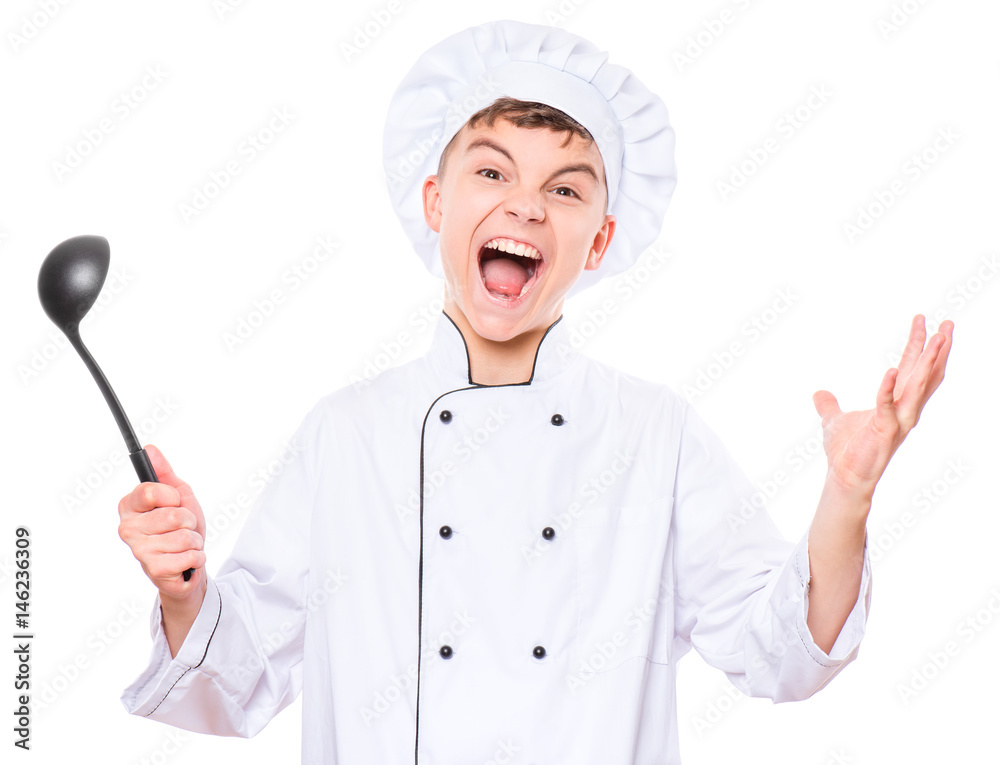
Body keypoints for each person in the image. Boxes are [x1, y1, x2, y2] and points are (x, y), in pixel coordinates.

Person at [117, 19, 953, 764]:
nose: (526, 203)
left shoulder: (653, 433)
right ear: (436, 202)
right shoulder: (347, 435)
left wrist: (847, 496)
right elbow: (236, 682)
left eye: (565, 188)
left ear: (601, 240)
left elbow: (784, 653)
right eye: (492, 171)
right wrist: (184, 586)